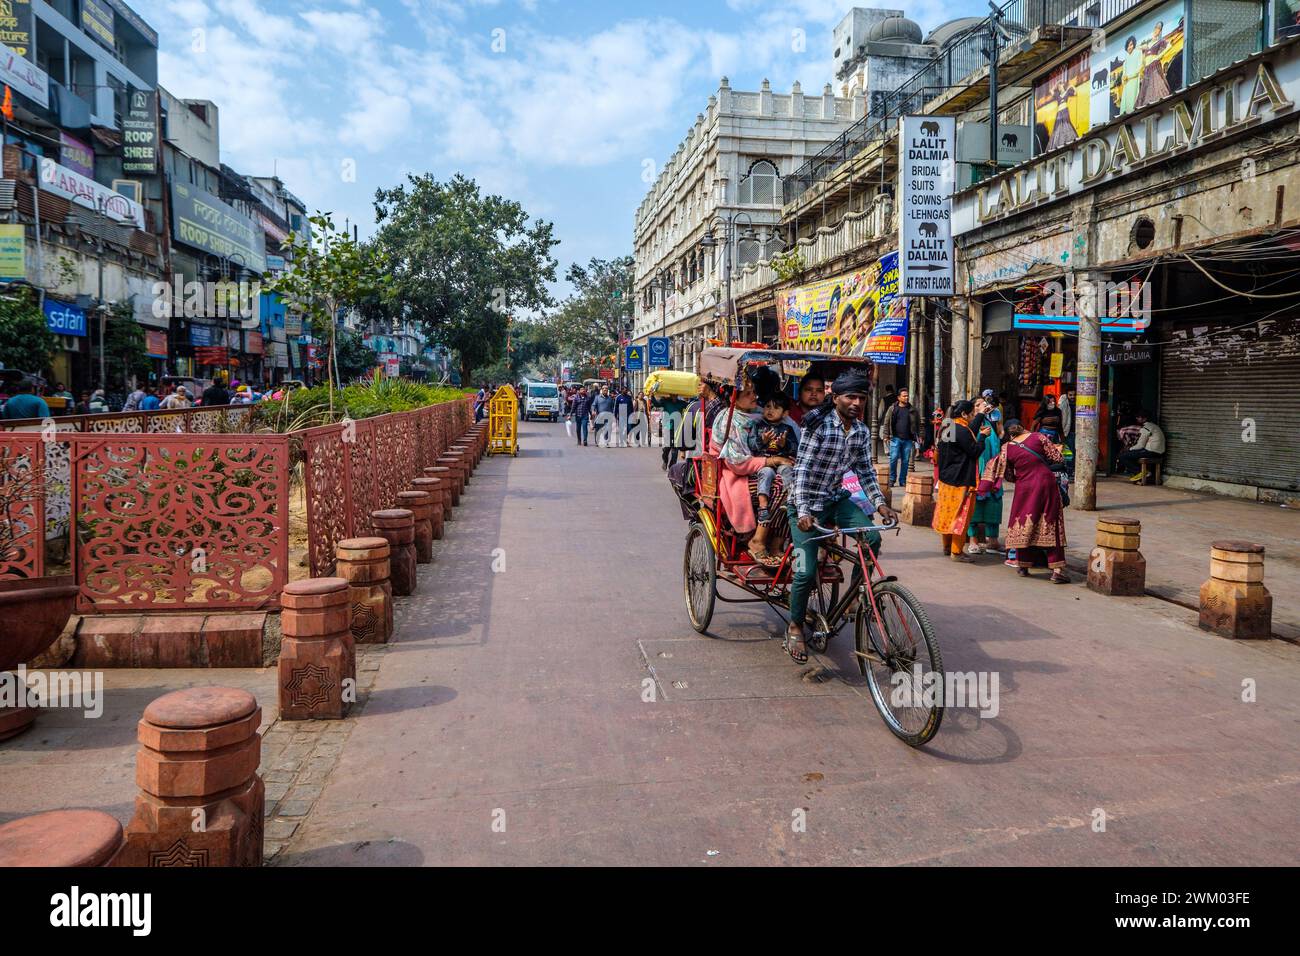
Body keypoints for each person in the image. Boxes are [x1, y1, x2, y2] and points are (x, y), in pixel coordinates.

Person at [787, 369, 897, 663]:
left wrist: (879, 503)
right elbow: (801, 471)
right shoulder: (818, 427)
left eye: (861, 398)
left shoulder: (860, 431)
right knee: (804, 571)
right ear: (835, 398)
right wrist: (804, 511)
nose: (857, 403)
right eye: (851, 396)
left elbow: (864, 472)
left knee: (871, 538)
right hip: (804, 505)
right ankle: (796, 624)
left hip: (836, 500)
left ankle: (856, 594)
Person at [978, 419, 1070, 583]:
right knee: (1051, 523)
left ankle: (1023, 565)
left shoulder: (1006, 448)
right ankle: (1057, 570)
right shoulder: (1038, 437)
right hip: (1045, 484)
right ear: (1024, 428)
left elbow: (1008, 474)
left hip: (1024, 488)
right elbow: (1057, 458)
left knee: (1023, 522)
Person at [711, 377, 787, 568]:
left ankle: (778, 542)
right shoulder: (727, 420)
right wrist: (770, 460)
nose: (755, 396)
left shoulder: (762, 413)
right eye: (748, 394)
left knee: (795, 485)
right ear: (733, 399)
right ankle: (759, 539)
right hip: (737, 476)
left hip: (765, 469)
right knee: (780, 486)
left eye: (754, 392)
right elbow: (736, 462)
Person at [931, 399, 987, 562]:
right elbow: (974, 450)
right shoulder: (961, 430)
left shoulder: (948, 427)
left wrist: (981, 414)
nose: (972, 417)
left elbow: (967, 433)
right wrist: (983, 437)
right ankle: (957, 551)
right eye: (971, 414)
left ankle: (947, 547)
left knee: (947, 513)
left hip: (946, 478)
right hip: (961, 479)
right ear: (964, 414)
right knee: (960, 516)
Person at [747, 393, 799, 528]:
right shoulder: (757, 425)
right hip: (763, 462)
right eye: (767, 406)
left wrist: (784, 445)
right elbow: (751, 445)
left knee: (788, 470)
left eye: (776, 408)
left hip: (782, 462)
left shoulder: (788, 429)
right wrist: (762, 440)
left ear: (785, 413)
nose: (770, 410)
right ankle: (763, 506)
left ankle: (791, 499)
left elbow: (794, 449)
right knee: (767, 473)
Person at [968, 402, 1003, 555]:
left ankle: (993, 540)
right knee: (974, 505)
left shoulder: (990, 422)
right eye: (978, 405)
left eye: (984, 404)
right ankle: (973, 540)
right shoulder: (970, 425)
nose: (982, 406)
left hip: (993, 470)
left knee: (994, 503)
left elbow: (999, 438)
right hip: (977, 470)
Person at [881, 386, 921, 487]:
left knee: (905, 461)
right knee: (893, 458)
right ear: (898, 397)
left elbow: (918, 424)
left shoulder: (912, 410)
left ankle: (902, 480)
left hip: (908, 439)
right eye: (904, 396)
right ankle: (892, 479)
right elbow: (886, 422)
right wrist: (886, 435)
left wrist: (920, 436)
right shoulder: (893, 409)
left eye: (907, 396)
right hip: (895, 438)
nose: (906, 398)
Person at [1117, 410, 1165, 483]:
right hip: (1159, 452)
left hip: (1151, 452)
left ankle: (1141, 472)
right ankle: (1143, 474)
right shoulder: (1153, 426)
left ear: (1144, 418)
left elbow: (1140, 445)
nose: (1137, 419)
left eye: (1138, 417)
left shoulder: (1146, 428)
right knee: (1132, 455)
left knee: (1122, 456)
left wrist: (1129, 449)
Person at [656, 392, 688, 471]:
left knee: (675, 448)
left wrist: (689, 398)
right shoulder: (665, 401)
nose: (674, 396)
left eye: (676, 395)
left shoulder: (681, 403)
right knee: (667, 447)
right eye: (672, 395)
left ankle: (672, 466)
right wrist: (652, 396)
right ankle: (665, 460)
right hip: (668, 426)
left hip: (678, 427)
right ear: (670, 395)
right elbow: (656, 404)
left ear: (677, 395)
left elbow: (690, 405)